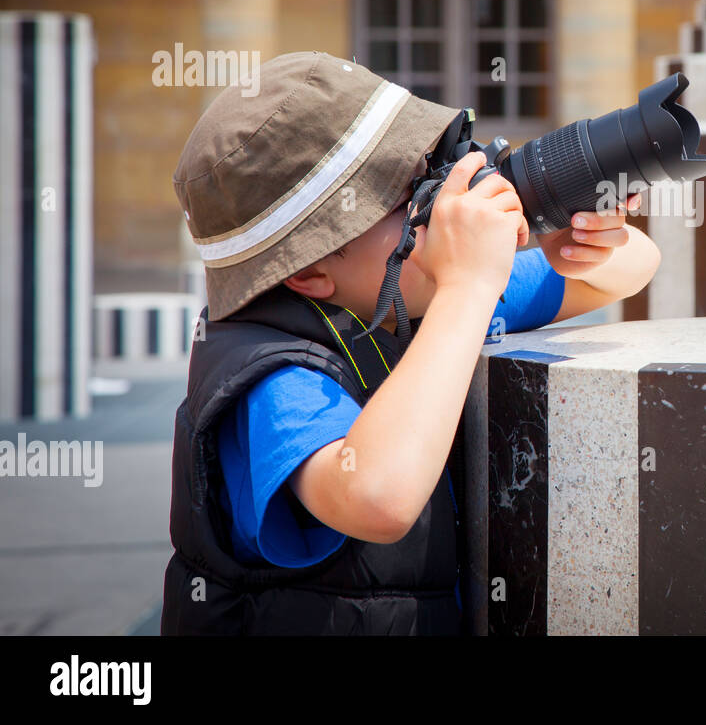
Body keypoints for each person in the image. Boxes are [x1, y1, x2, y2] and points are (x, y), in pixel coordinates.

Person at [160, 51, 659, 634]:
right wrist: (468, 286)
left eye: (432, 170)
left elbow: (634, 267)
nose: (439, 205)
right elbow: (377, 498)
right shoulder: (274, 379)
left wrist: (569, 242)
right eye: (404, 200)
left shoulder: (404, 299)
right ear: (307, 274)